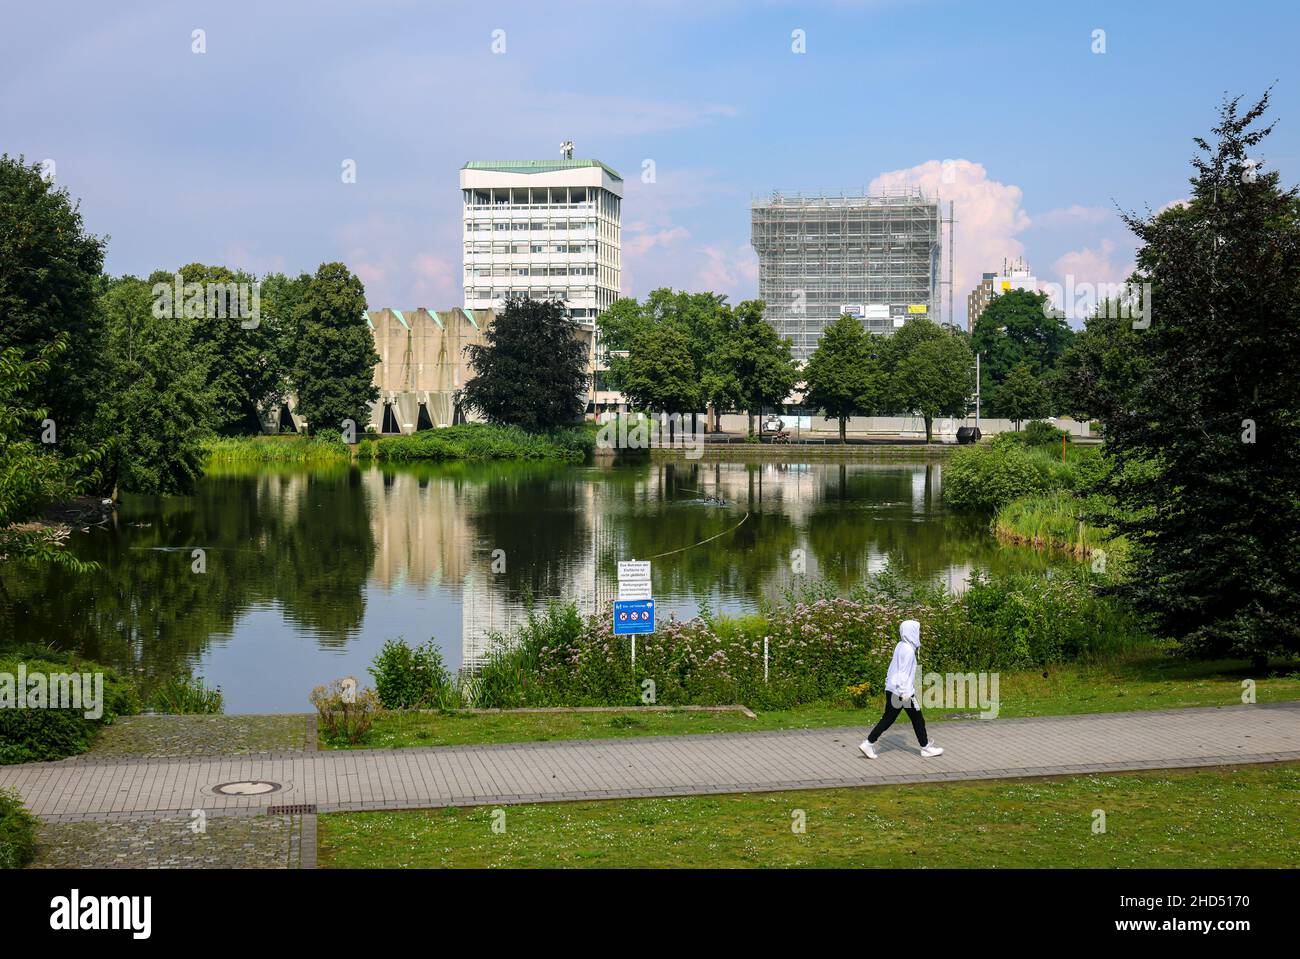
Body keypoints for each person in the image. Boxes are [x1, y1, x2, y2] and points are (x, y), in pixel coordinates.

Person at [859, 619, 944, 759]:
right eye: (917, 631)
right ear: (912, 632)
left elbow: (893, 667)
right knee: (918, 719)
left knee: (888, 718)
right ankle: (926, 748)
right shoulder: (909, 651)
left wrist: (890, 684)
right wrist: (905, 693)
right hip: (903, 693)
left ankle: (868, 743)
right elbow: (903, 673)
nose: (919, 634)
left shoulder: (900, 645)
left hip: (892, 688)